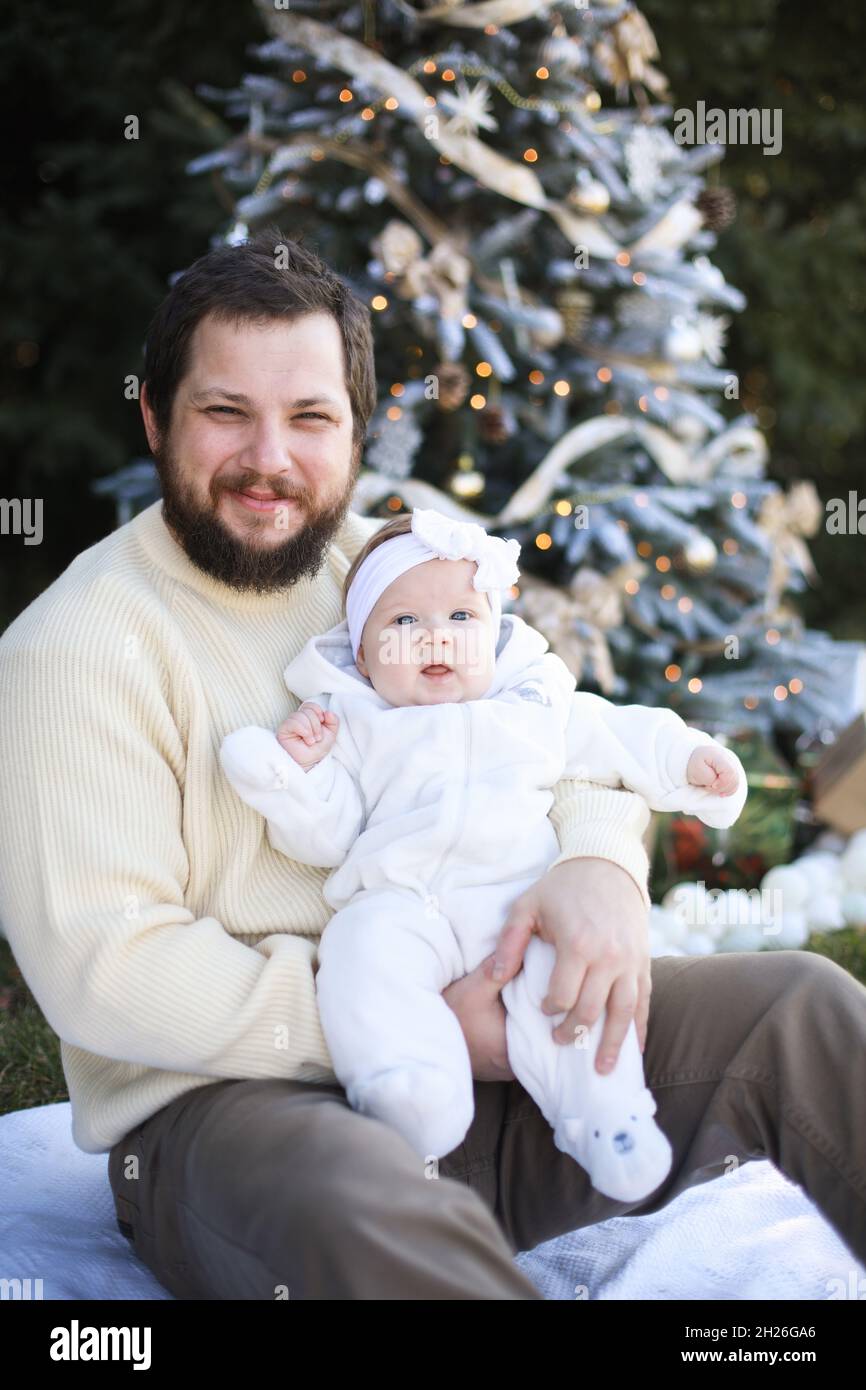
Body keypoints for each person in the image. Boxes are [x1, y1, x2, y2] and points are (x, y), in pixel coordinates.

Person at [0, 228, 864, 1300]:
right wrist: (401, 1023)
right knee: (362, 1203)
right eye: (225, 412)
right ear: (154, 416)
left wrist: (596, 865)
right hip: (242, 1116)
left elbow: (552, 723)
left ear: (357, 431)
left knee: (801, 1006)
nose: (269, 457)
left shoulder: (403, 573)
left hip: (513, 1067)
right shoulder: (77, 645)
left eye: (310, 417)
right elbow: (106, 970)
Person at [219, 504, 747, 1205]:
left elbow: (616, 736)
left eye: (461, 618)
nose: (435, 637)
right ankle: (411, 1089)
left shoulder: (531, 706)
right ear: (363, 652)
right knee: (361, 954)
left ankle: (606, 1114)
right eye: (403, 623)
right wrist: (292, 776)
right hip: (402, 902)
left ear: (493, 630)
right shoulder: (355, 723)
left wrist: (688, 758)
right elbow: (326, 834)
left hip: (518, 903)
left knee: (565, 985)